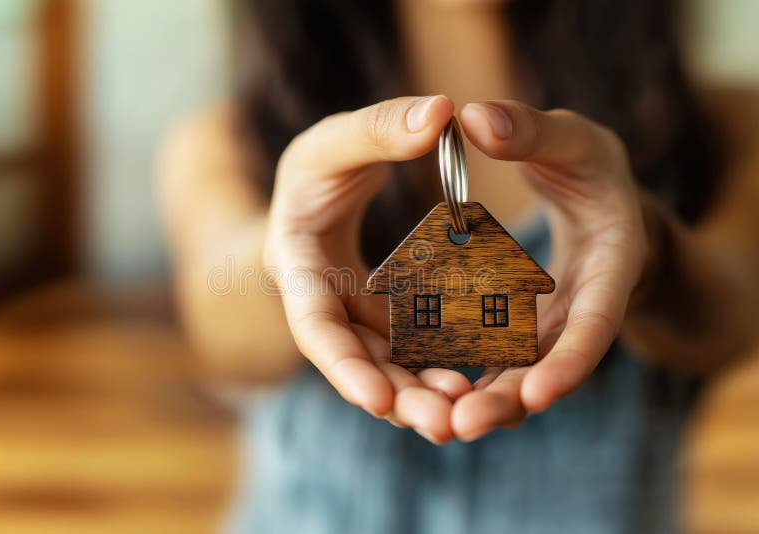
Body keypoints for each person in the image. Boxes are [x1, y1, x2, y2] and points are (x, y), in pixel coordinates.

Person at [158, 1, 759, 532]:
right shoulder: (223, 142)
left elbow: (735, 309)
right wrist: (287, 261)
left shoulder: (729, 128)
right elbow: (217, 317)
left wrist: (649, 251)